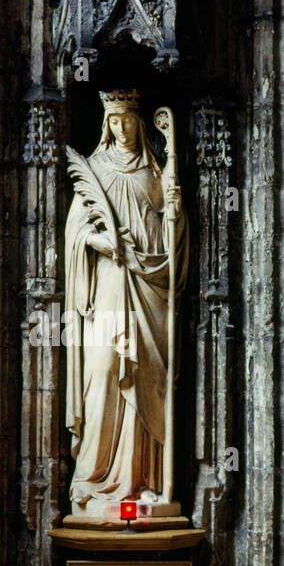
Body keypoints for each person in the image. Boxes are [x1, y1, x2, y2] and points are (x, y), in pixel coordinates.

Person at [64, 88, 187, 515]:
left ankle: (144, 483)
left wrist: (175, 214)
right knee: (104, 370)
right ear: (105, 124)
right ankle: (95, 478)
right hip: (110, 287)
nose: (121, 129)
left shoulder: (156, 172)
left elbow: (172, 235)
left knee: (148, 379)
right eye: (113, 121)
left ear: (138, 121)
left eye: (128, 120)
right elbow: (75, 233)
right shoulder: (94, 169)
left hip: (150, 289)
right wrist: (100, 240)